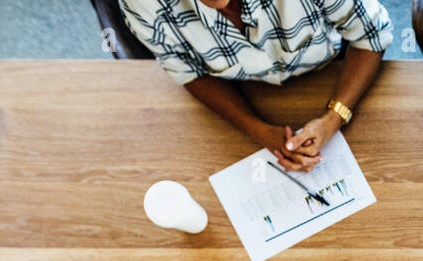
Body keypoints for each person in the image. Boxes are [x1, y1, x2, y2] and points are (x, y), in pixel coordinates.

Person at [119, 0, 392, 170]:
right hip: (242, 92)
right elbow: (188, 72)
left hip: (334, 73)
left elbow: (371, 34)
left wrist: (335, 116)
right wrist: (257, 129)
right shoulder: (141, 3)